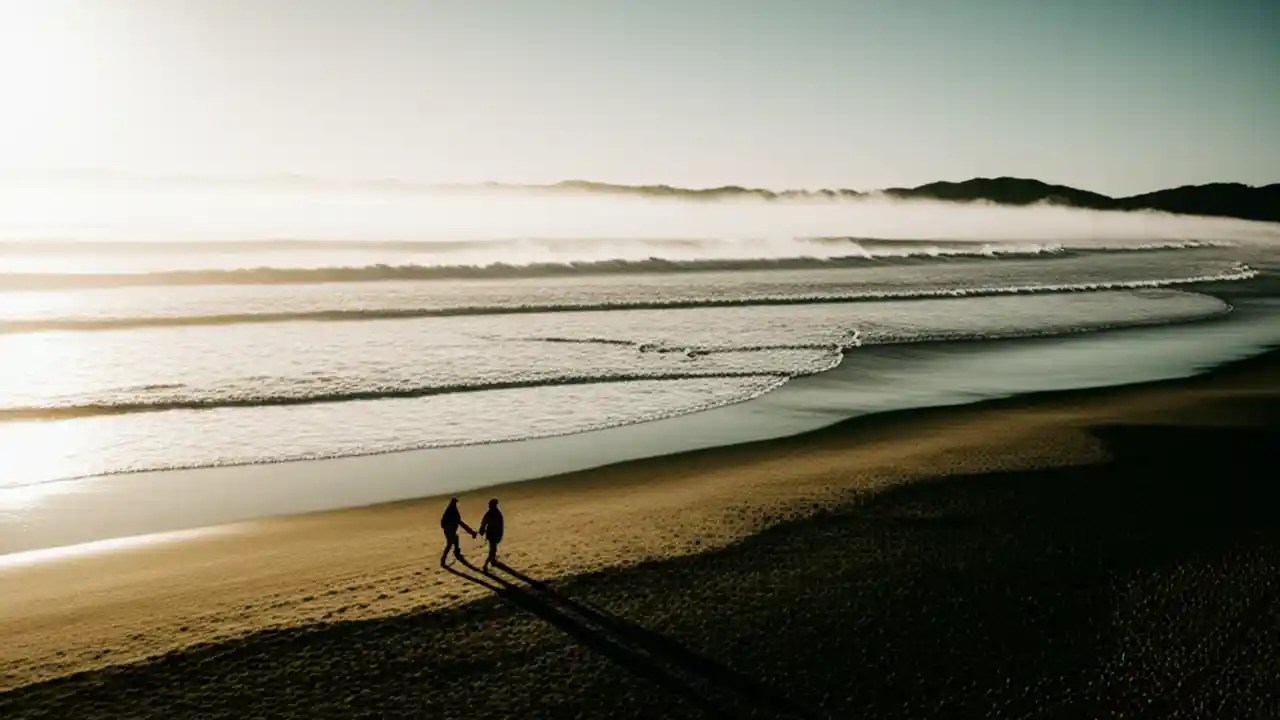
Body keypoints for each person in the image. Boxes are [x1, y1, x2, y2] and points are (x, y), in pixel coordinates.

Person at [440, 497, 476, 567]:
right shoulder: (453, 512)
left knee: (455, 539)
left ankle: (456, 553)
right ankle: (443, 560)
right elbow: (460, 523)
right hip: (450, 531)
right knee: (450, 544)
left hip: (448, 530)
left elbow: (443, 523)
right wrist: (471, 532)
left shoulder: (448, 511)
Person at [478, 498, 504, 572]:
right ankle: (485, 565)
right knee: (493, 550)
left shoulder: (493, 513)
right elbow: (484, 523)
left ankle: (493, 561)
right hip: (492, 534)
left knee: (493, 550)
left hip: (493, 534)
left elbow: (484, 523)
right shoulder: (492, 513)